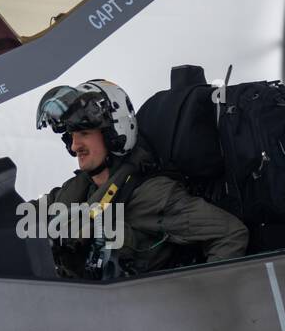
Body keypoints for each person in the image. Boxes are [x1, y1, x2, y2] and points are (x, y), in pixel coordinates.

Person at [34, 79, 248, 279]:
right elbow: (29, 214)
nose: (74, 145)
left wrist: (204, 300)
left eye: (84, 134)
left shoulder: (152, 195)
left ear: (113, 134)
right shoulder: (80, 189)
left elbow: (230, 233)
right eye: (71, 135)